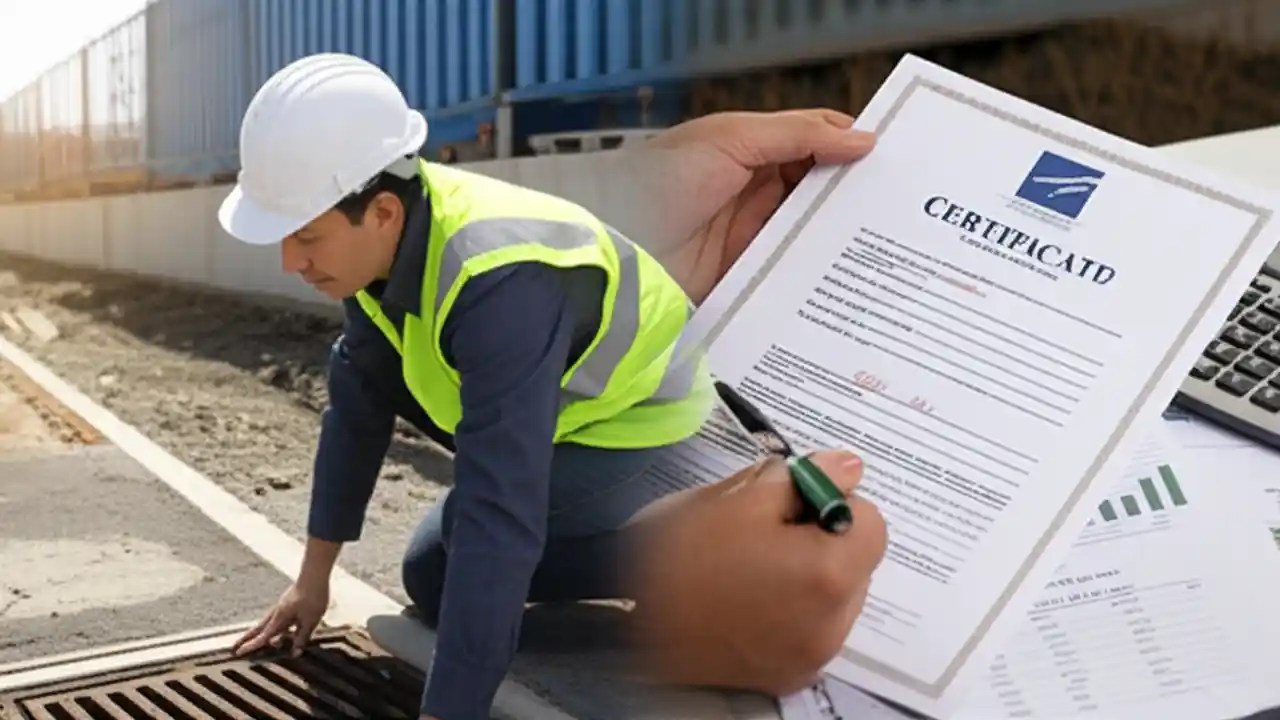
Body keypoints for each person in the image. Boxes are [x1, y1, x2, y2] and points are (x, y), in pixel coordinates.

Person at [218, 51, 886, 719]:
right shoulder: (373, 260)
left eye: (305, 236)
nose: (289, 260)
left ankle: (701, 551)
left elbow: (497, 513)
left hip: (645, 422)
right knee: (430, 573)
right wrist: (313, 585)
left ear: (385, 212)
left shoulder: (498, 282)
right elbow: (354, 416)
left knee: (474, 541)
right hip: (569, 421)